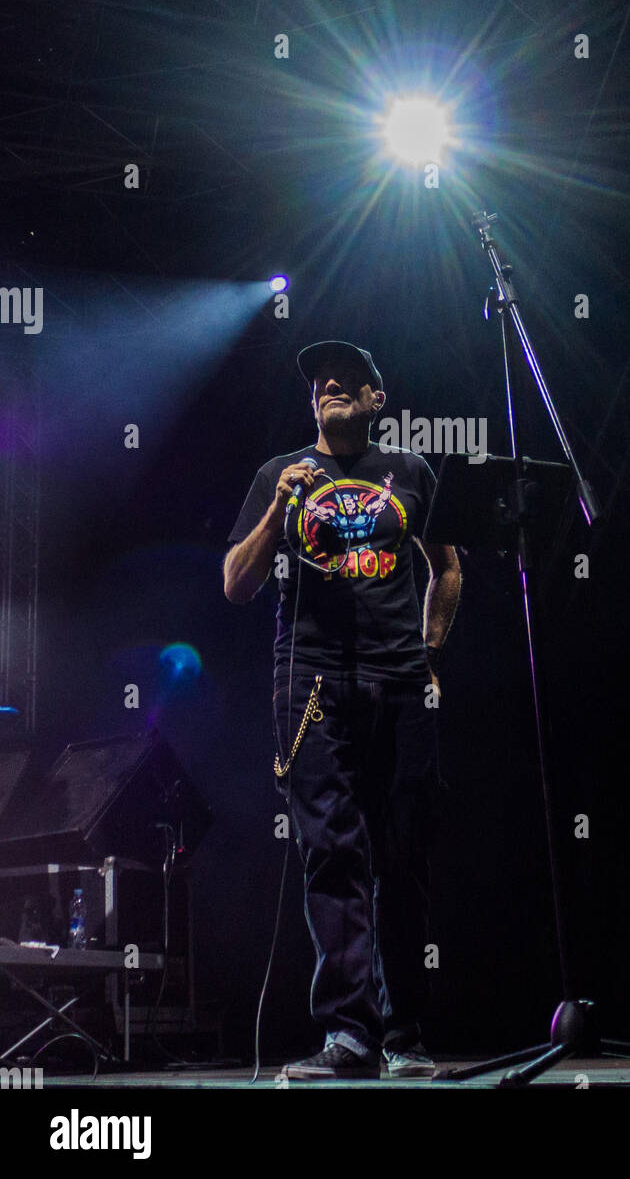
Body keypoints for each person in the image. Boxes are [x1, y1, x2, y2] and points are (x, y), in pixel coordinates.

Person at [223, 341, 461, 1080]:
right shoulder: (279, 475)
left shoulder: (413, 471)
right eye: (320, 380)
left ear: (376, 398)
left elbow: (448, 564)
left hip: (399, 683)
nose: (330, 384)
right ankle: (349, 1037)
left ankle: (404, 1036)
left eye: (347, 378)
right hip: (313, 686)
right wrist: (275, 514)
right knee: (332, 853)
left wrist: (429, 651)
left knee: (403, 856)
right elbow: (235, 582)